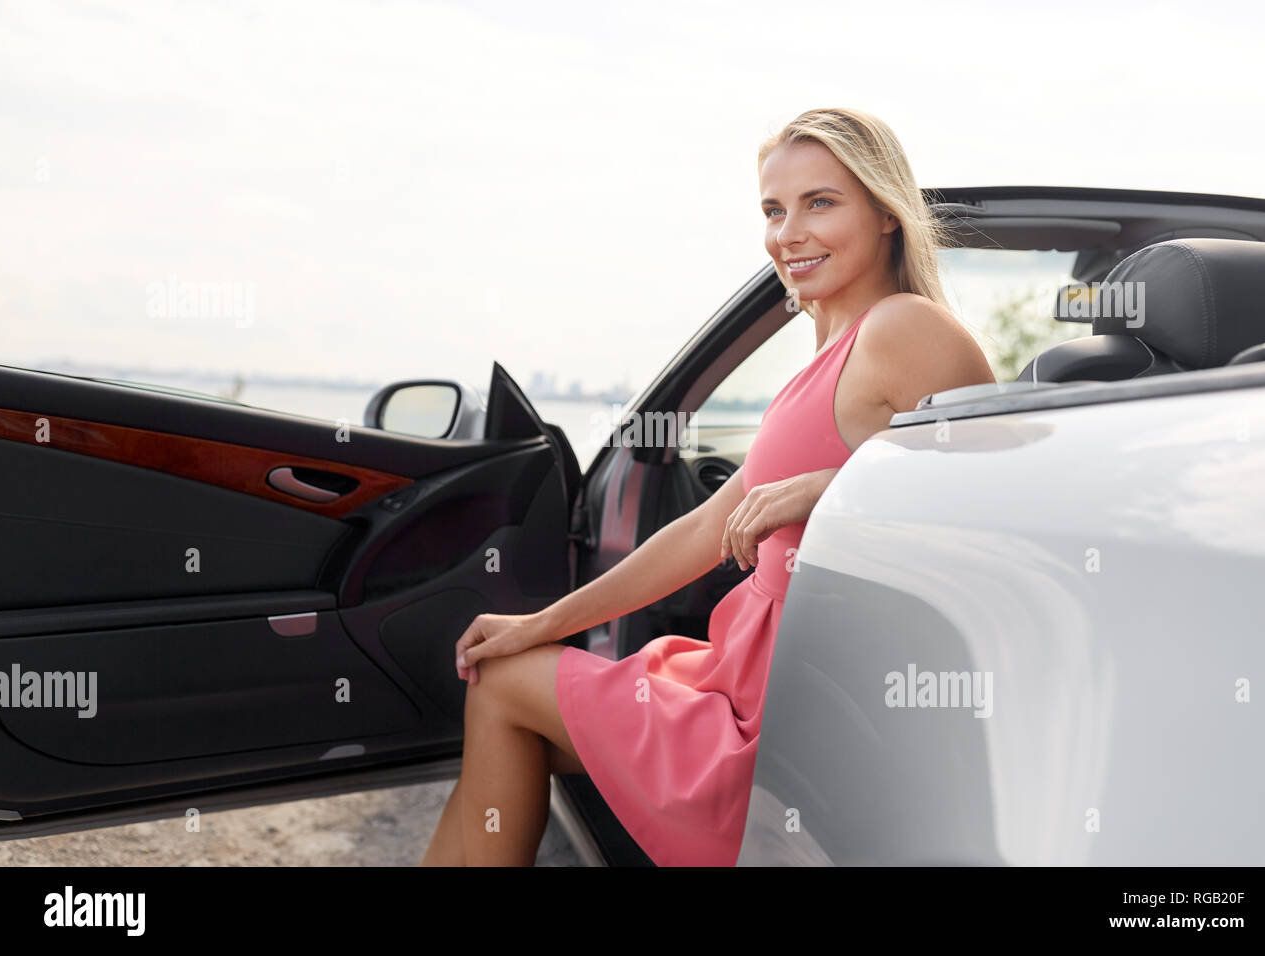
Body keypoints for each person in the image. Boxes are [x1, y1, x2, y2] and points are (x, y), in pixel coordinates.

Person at [420, 107, 996, 867]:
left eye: (820, 203)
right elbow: (698, 534)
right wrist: (540, 622)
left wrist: (834, 487)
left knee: (500, 690)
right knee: (505, 689)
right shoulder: (827, 352)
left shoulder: (905, 327)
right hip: (737, 678)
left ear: (886, 213)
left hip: (789, 712)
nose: (788, 232)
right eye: (773, 209)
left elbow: (993, 498)